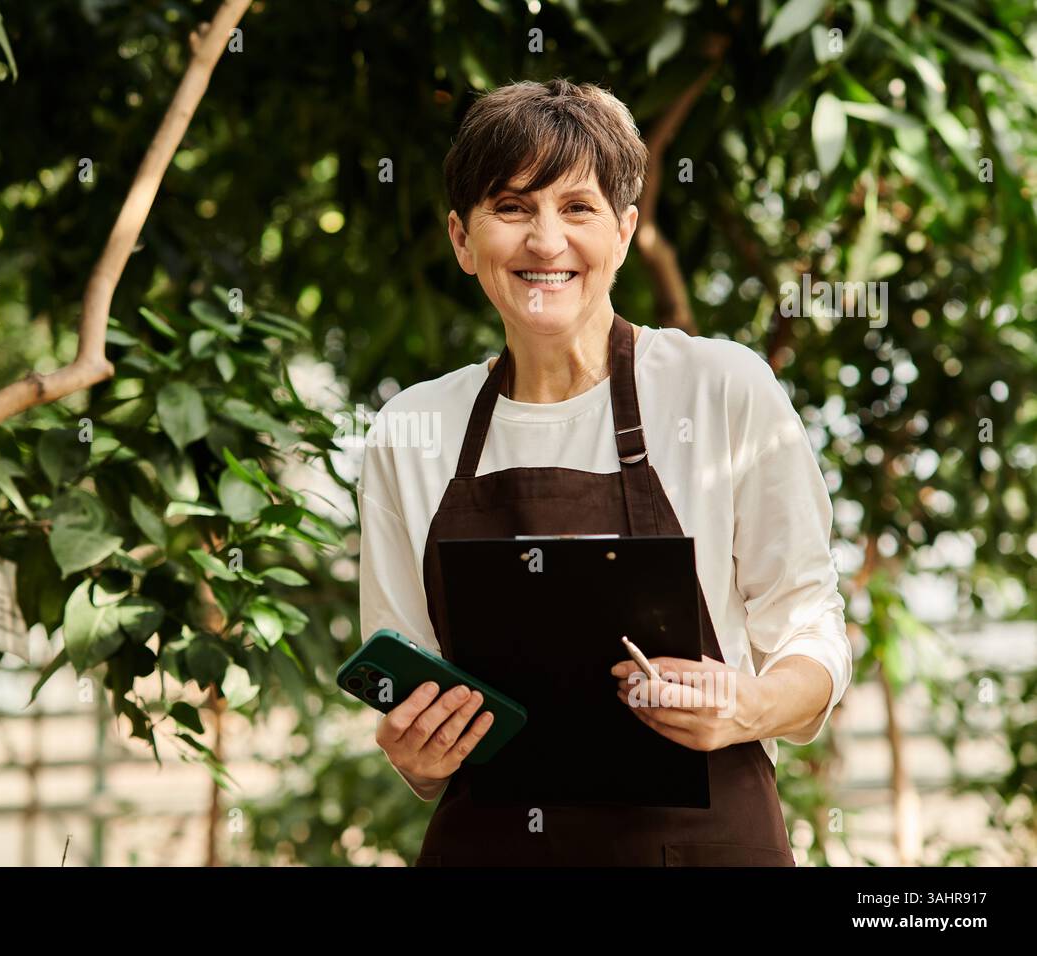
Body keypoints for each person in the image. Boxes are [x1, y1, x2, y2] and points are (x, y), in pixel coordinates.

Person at [356, 78, 852, 866]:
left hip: (705, 845)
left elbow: (812, 633)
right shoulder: (411, 432)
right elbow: (406, 673)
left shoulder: (720, 388)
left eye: (577, 208)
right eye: (512, 208)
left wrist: (748, 704)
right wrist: (416, 755)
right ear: (461, 238)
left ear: (624, 232)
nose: (546, 243)